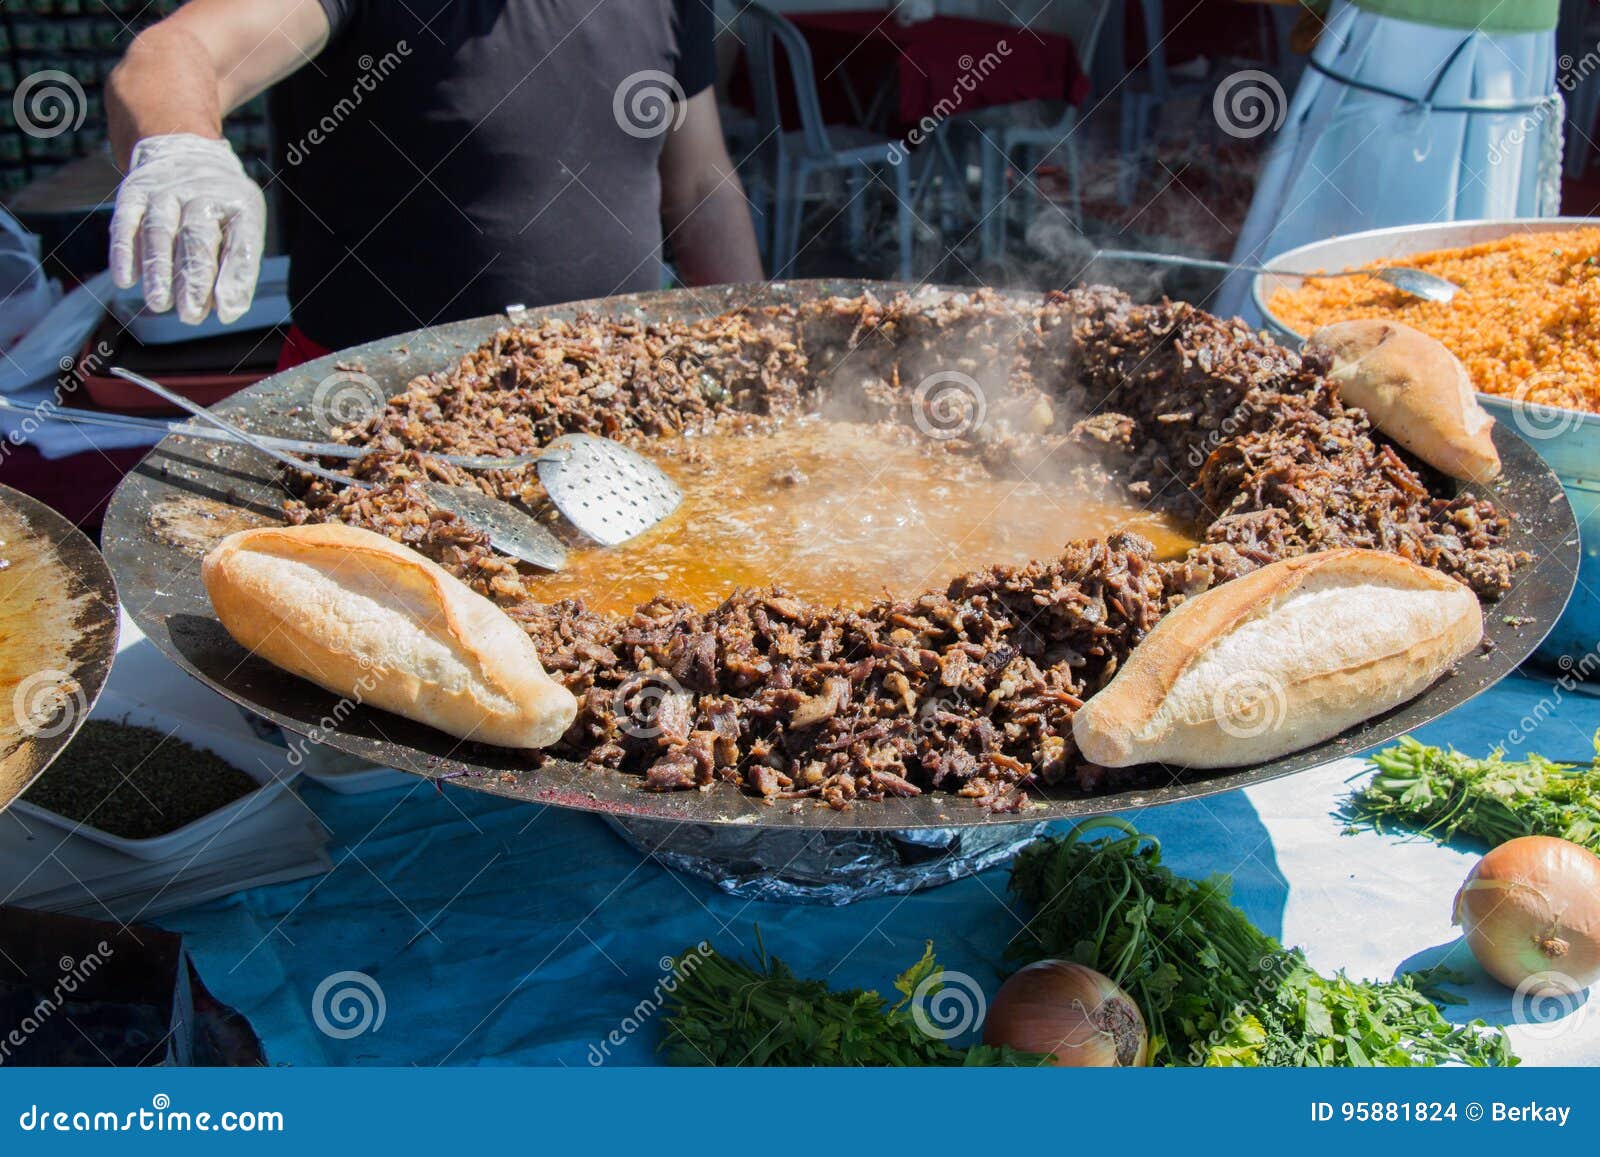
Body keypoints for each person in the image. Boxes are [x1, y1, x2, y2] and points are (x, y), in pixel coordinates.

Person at [105, 0, 763, 366]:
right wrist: (181, 146)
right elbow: (175, 52)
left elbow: (700, 185)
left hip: (610, 401)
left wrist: (759, 345)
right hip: (371, 417)